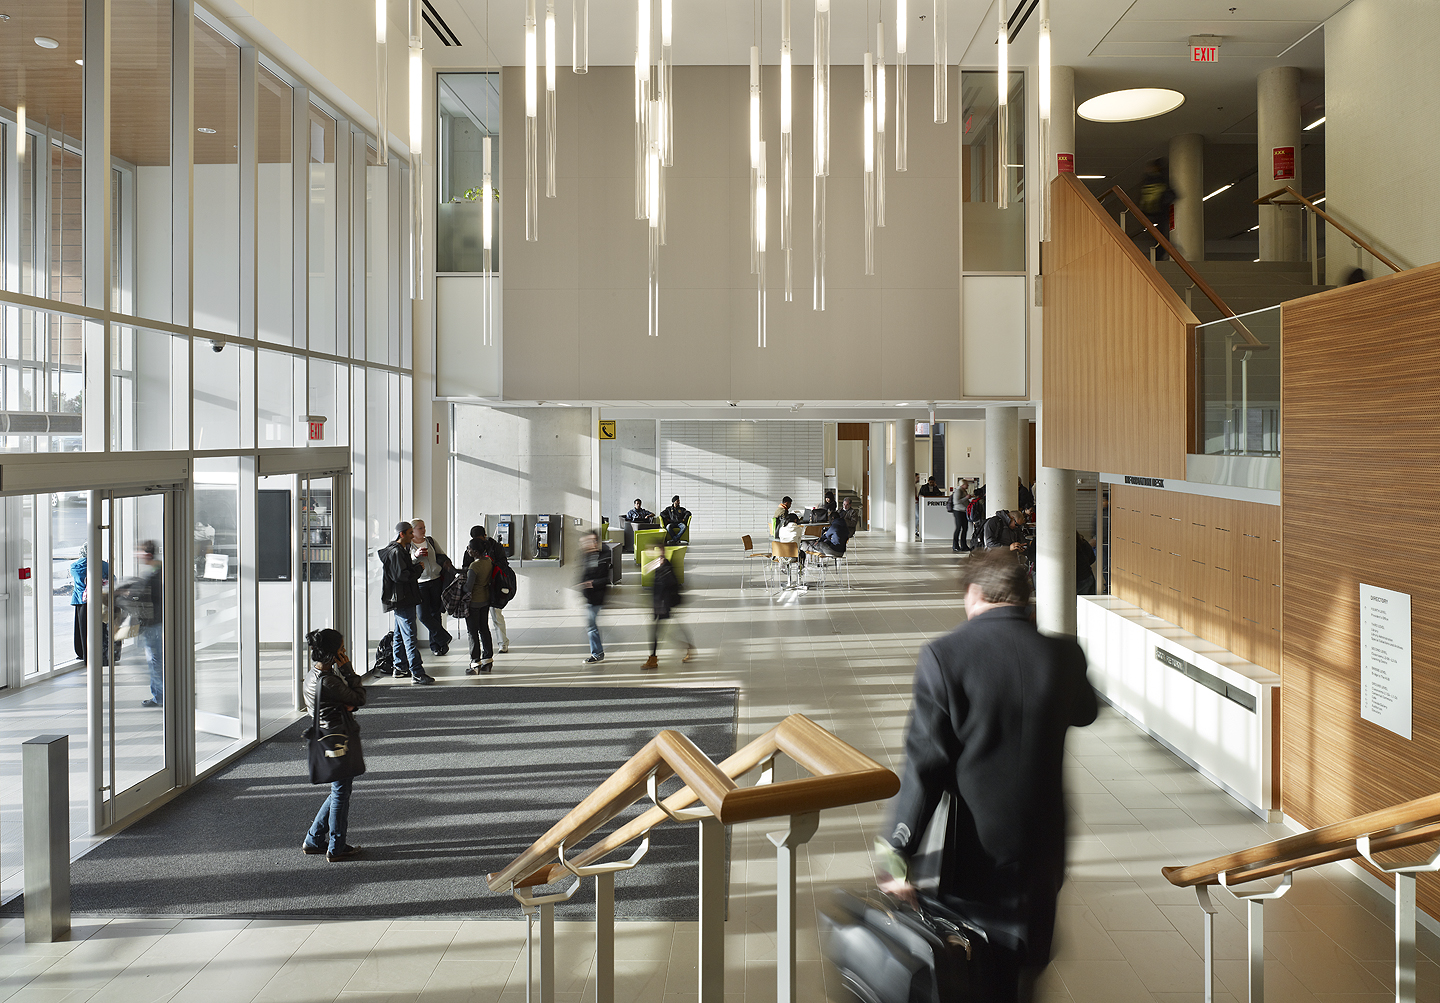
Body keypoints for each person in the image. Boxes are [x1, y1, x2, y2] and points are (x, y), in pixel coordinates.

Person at [878, 548, 1097, 1000]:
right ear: (1023, 596)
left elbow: (924, 769)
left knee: (978, 965)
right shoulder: (1064, 654)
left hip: (977, 851)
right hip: (1045, 842)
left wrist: (895, 854)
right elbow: (1086, 713)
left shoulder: (945, 656)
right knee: (1027, 957)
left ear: (974, 592)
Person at [301, 628, 367, 863]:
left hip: (327, 736)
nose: (345, 652)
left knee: (339, 789)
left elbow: (347, 701)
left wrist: (346, 702)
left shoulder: (312, 675)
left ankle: (314, 839)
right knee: (341, 792)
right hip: (338, 738)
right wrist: (348, 671)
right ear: (332, 655)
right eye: (341, 649)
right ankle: (336, 846)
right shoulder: (330, 681)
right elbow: (359, 698)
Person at [378, 522, 434, 684]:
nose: (413, 536)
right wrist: (418, 569)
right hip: (403, 599)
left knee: (399, 635)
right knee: (409, 636)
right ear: (402, 534)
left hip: (399, 599)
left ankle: (400, 667)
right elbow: (401, 576)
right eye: (410, 533)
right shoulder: (397, 552)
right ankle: (417, 672)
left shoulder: (395, 551)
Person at [641, 542, 693, 669]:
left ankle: (653, 659)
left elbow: (670, 585)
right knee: (669, 632)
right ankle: (688, 648)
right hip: (661, 605)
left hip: (664, 605)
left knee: (661, 633)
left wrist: (660, 605)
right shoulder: (660, 565)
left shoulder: (666, 567)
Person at [409, 518, 453, 657]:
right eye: (420, 528)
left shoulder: (430, 541)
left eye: (424, 527)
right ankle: (443, 636)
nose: (424, 530)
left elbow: (442, 555)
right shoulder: (408, 545)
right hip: (420, 583)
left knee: (436, 613)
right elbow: (407, 563)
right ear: (413, 530)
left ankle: (438, 646)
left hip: (435, 581)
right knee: (423, 615)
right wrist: (416, 556)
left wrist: (443, 566)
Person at [465, 526, 511, 653]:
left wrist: (488, 570)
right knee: (483, 624)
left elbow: (503, 564)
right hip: (480, 591)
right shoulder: (471, 548)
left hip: (494, 586)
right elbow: (466, 567)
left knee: (496, 615)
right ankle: (486, 649)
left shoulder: (495, 547)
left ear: (485, 535)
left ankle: (502, 643)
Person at [70, 544, 113, 665]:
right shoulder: (102, 565)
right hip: (99, 600)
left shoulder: (75, 566)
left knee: (81, 629)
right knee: (100, 628)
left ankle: (84, 654)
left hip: (80, 601)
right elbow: (112, 579)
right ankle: (101, 655)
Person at [135, 540, 164, 707]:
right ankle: (159, 695)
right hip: (157, 623)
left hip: (154, 624)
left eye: (139, 552)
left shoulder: (155, 575)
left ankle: (161, 697)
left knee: (155, 662)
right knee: (157, 661)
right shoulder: (160, 571)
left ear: (147, 554)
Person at [463, 530, 494, 674]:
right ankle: (488, 660)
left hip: (474, 602)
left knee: (472, 632)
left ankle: (475, 662)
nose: (467, 550)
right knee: (484, 629)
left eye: (469, 548)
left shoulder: (474, 566)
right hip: (485, 600)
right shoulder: (488, 561)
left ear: (475, 552)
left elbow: (468, 587)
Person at [578, 530, 609, 663]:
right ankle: (598, 651)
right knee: (591, 624)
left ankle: (597, 653)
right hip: (589, 596)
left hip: (597, 596)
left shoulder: (603, 556)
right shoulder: (586, 556)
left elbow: (605, 578)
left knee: (591, 625)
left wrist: (591, 583)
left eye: (591, 540)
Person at [1136, 159, 1176, 259]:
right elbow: (1172, 195)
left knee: (1158, 234)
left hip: (1153, 212)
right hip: (1159, 211)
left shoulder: (1149, 179)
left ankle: (1159, 256)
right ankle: (1159, 255)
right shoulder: (1162, 179)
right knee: (1159, 234)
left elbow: (1142, 196)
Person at [776, 512, 807, 587]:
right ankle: (800, 571)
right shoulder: (799, 529)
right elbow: (799, 542)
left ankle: (788, 579)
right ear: (795, 520)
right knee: (803, 554)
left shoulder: (782, 529)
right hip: (794, 555)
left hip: (782, 555)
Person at [950, 478, 973, 553]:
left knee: (965, 528)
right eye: (966, 484)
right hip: (958, 511)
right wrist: (966, 498)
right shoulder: (958, 491)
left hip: (964, 511)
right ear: (963, 485)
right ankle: (955, 545)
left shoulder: (963, 491)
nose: (968, 485)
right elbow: (956, 502)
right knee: (958, 528)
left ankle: (964, 545)